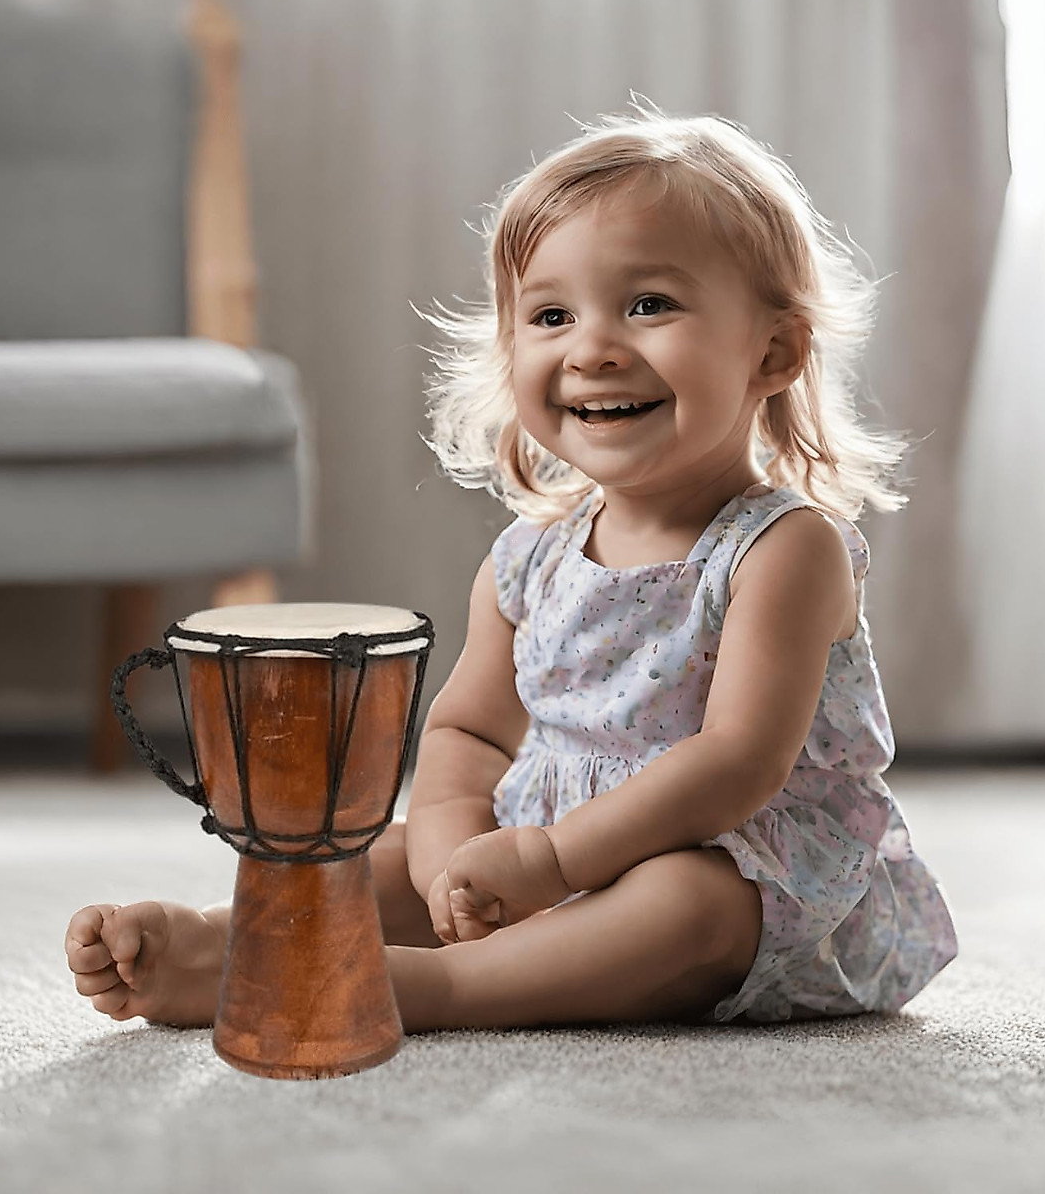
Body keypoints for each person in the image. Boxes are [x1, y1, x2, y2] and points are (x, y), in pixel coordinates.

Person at [65, 100, 958, 1032]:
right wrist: (452, 862)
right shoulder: (528, 558)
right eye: (551, 315)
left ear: (773, 350)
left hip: (746, 874)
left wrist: (556, 863)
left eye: (649, 305)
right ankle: (221, 942)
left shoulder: (782, 548)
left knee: (684, 902)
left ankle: (430, 988)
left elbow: (736, 764)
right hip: (540, 851)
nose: (595, 348)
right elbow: (466, 738)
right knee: (372, 858)